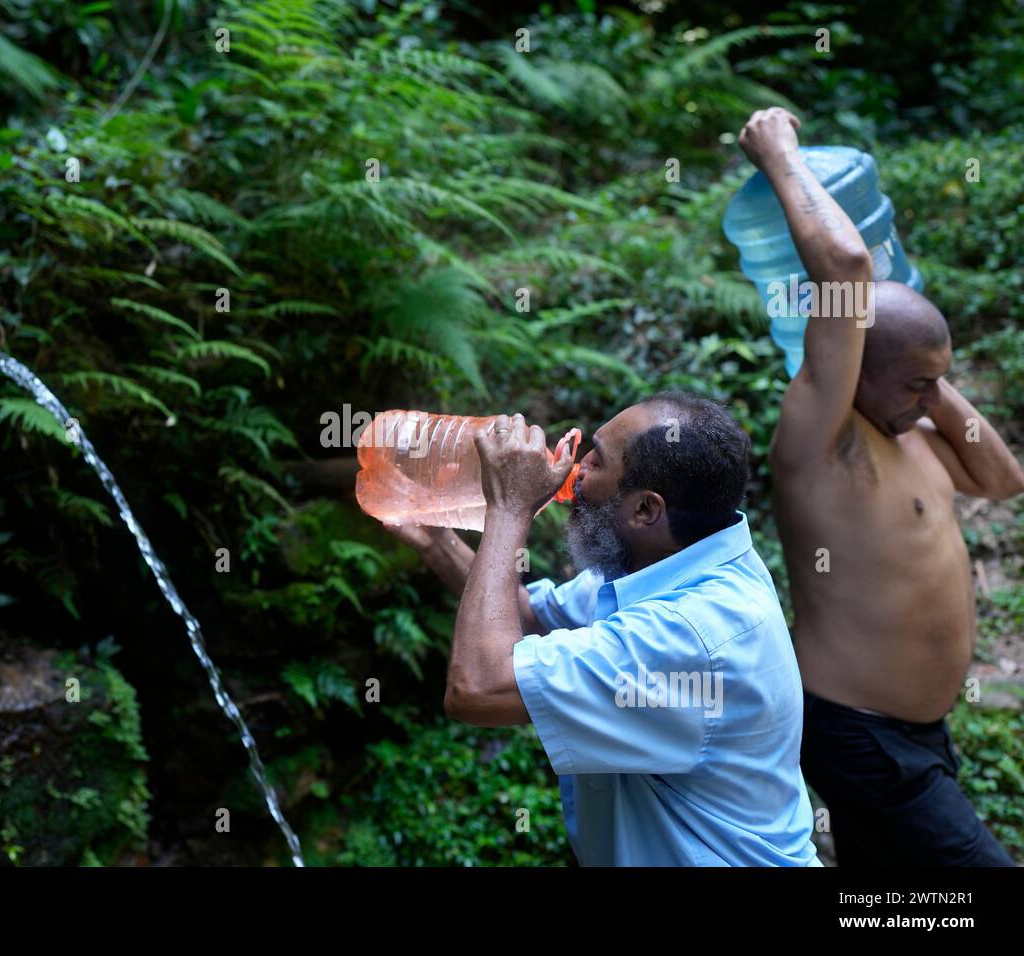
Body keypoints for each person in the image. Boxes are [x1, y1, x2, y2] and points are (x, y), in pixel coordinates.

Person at [738, 107, 1024, 865]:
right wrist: (779, 153)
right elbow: (846, 271)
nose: (927, 400)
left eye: (939, 384)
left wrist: (928, 382)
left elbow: (1003, 479)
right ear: (850, 368)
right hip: (858, 730)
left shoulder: (917, 434)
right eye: (914, 385)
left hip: (919, 733)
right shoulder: (820, 442)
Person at [382, 392, 819, 865]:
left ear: (646, 510)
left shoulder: (688, 635)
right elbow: (528, 620)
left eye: (596, 460)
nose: (576, 468)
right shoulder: (671, 562)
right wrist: (437, 542)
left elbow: (478, 686)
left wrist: (508, 512)